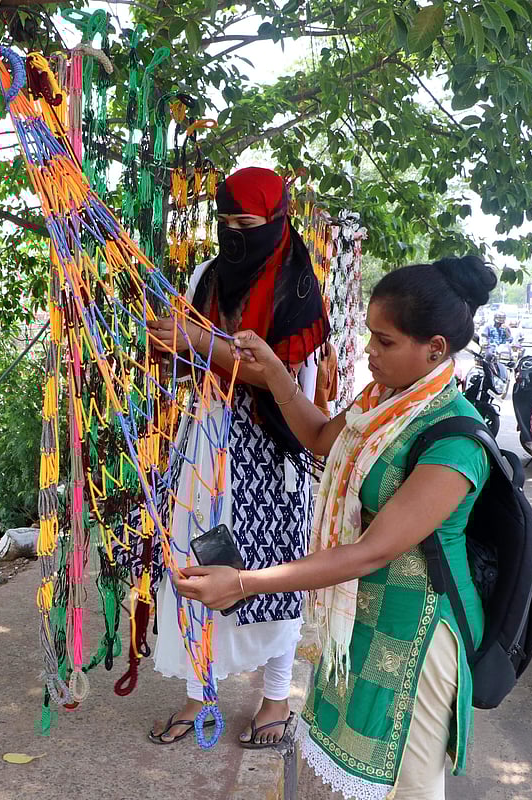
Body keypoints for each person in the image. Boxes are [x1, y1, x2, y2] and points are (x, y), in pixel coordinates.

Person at [175, 256, 495, 799]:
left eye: (385, 341)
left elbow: (370, 552)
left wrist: (245, 582)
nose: (369, 351)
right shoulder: (383, 405)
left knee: (409, 785)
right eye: (371, 336)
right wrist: (276, 372)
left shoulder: (455, 439)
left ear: (435, 349)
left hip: (418, 631)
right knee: (360, 775)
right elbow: (323, 437)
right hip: (364, 618)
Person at [143, 166, 329, 747]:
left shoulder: (300, 288)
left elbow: (273, 374)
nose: (233, 235)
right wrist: (168, 347)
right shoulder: (206, 276)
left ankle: (275, 700)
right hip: (207, 444)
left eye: (245, 224)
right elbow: (193, 364)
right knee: (196, 564)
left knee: (270, 576)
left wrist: (199, 341)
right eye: (224, 223)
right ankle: (200, 695)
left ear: (276, 222)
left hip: (275, 447)